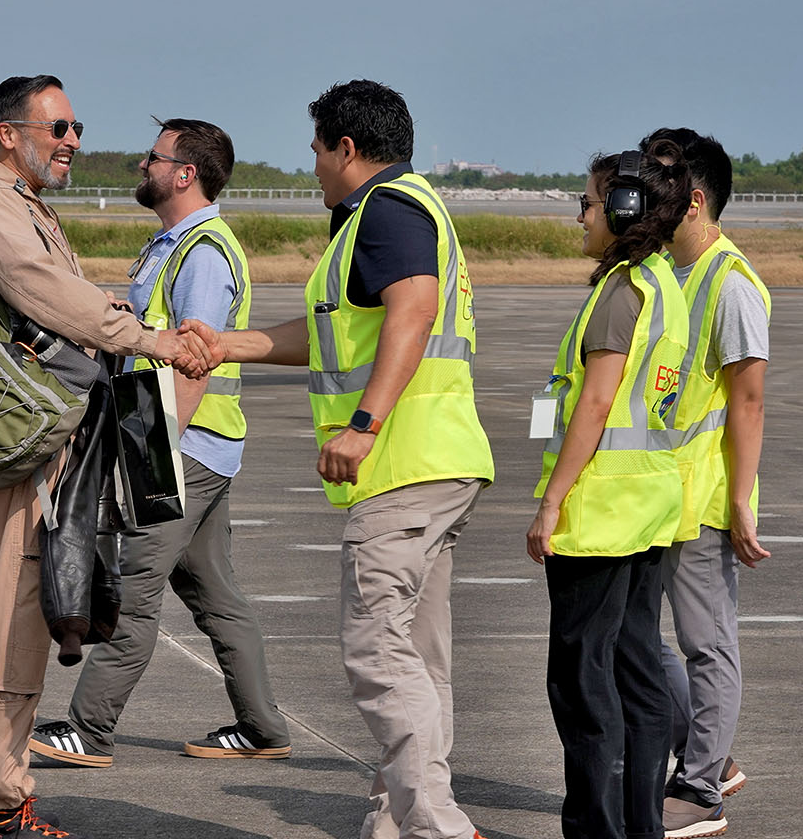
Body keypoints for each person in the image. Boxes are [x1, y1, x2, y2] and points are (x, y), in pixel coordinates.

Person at [184, 80, 494, 839]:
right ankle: (398, 818)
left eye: (318, 149)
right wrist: (229, 345)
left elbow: (413, 311)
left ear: (347, 148)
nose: (314, 164)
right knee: (415, 656)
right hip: (436, 461)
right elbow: (331, 336)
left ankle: (437, 826)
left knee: (377, 652)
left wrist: (362, 425)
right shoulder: (392, 213)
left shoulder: (387, 211)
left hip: (402, 465)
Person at [0, 75, 205, 839]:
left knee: (17, 615)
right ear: (8, 134)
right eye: (58, 128)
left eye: (75, 127)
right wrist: (151, 338)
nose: (73, 141)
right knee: (13, 625)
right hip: (19, 446)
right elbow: (45, 293)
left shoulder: (17, 201)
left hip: (36, 439)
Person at [29, 118, 291, 767]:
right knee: (214, 594)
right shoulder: (172, 245)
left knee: (133, 590)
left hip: (179, 447)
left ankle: (90, 729)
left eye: (154, 157)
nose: (142, 165)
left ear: (185, 174)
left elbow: (194, 363)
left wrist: (150, 458)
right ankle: (262, 728)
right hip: (191, 443)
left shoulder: (202, 253)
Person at [525, 148, 692, 839]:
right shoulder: (663, 285)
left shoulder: (621, 293)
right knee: (637, 670)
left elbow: (595, 406)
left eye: (588, 204)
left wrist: (551, 502)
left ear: (624, 211)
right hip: (648, 506)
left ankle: (597, 829)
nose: (581, 217)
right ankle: (640, 826)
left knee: (582, 680)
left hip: (600, 512)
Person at [643, 129, 771, 839]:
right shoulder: (666, 269)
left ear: (693, 201)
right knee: (633, 636)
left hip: (704, 500)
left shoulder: (731, 284)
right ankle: (710, 754)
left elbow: (748, 402)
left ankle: (699, 789)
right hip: (652, 495)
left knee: (706, 644)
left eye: (658, 185)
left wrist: (742, 503)